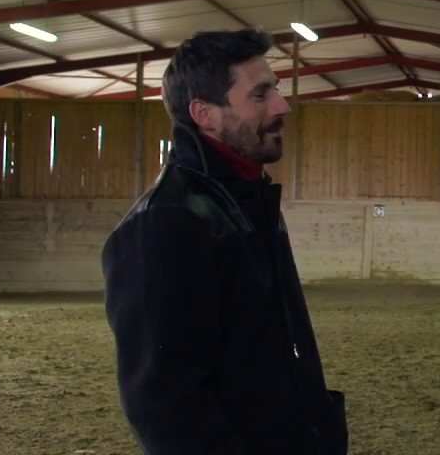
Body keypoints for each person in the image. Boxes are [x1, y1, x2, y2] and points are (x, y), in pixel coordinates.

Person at [101, 27, 348, 454]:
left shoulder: (250, 199)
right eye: (260, 95)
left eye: (276, 90)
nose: (282, 105)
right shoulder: (166, 224)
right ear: (205, 114)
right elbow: (165, 404)